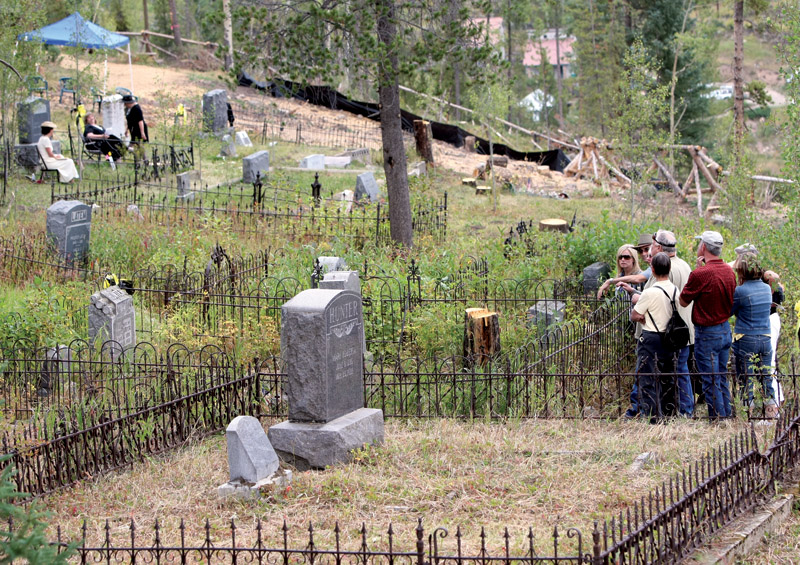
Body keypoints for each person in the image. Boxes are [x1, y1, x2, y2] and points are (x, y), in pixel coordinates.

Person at [679, 231, 736, 421]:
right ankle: (726, 415)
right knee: (720, 376)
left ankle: (718, 419)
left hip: (707, 332)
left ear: (703, 247)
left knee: (710, 379)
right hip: (724, 328)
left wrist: (696, 271)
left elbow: (683, 301)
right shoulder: (729, 271)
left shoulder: (701, 273)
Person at [629, 252, 677, 423]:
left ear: (653, 269)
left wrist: (641, 316)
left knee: (648, 378)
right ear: (669, 269)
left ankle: (652, 416)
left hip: (651, 337)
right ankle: (669, 412)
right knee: (667, 377)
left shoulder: (649, 292)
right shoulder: (675, 290)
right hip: (670, 337)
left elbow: (635, 315)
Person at [731, 253, 777, 418]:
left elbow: (730, 311)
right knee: (766, 378)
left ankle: (747, 416)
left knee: (746, 379)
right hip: (765, 337)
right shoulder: (766, 288)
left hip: (746, 337)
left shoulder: (740, 291)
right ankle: (771, 416)